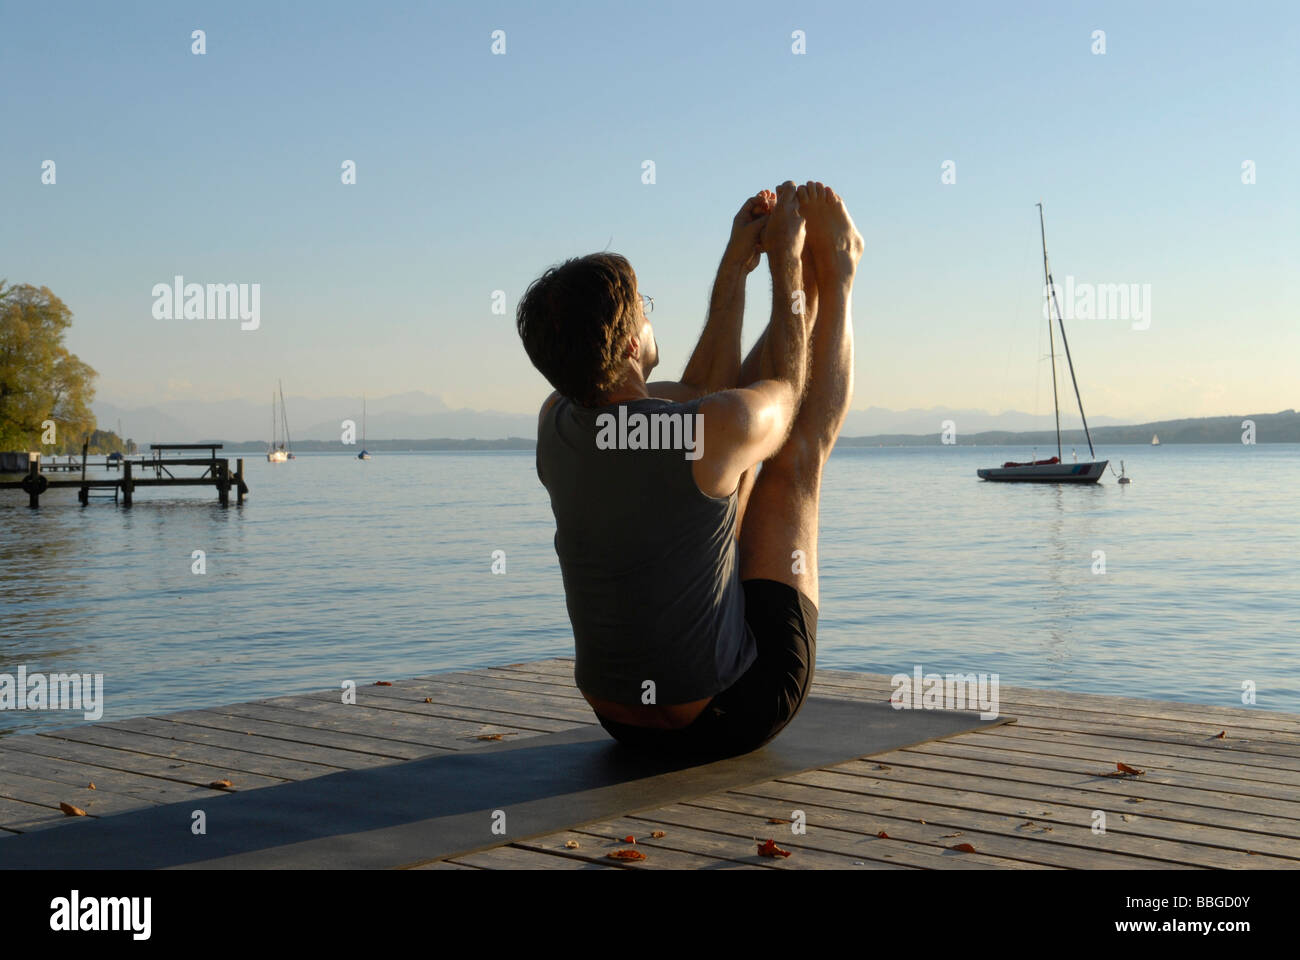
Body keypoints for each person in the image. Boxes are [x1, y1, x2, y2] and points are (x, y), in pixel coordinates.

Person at [518, 180, 864, 759]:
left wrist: (735, 269)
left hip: (620, 720)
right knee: (794, 459)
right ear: (632, 344)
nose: (650, 316)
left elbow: (703, 394)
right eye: (644, 309)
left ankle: (818, 281)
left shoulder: (554, 423)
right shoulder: (705, 429)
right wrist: (792, 271)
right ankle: (843, 275)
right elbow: (789, 390)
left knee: (727, 456)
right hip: (729, 713)